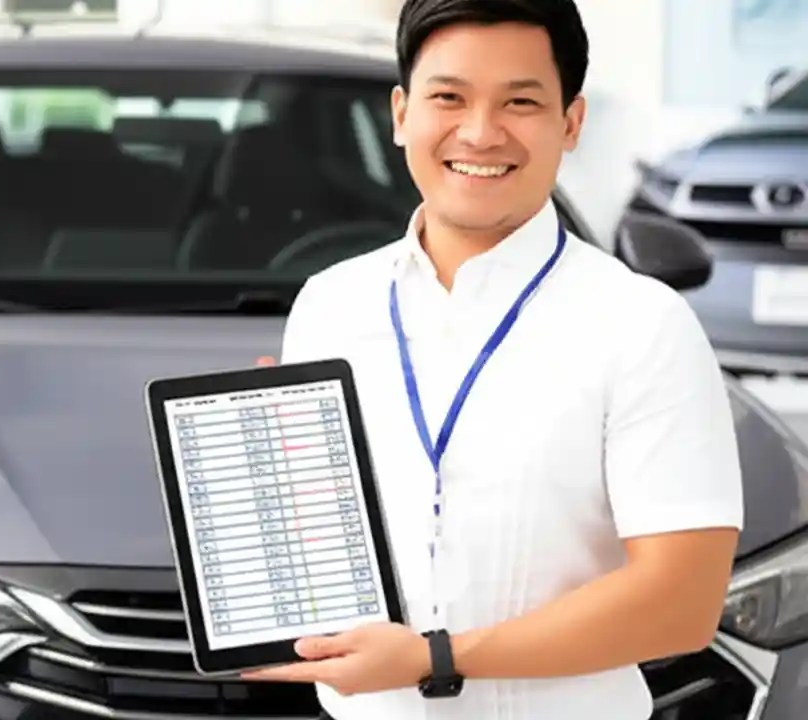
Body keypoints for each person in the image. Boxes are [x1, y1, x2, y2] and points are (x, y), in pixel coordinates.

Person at [241, 1, 745, 719]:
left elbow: (681, 603)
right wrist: (277, 482)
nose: (480, 132)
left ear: (571, 123)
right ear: (401, 113)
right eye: (448, 97)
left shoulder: (643, 324)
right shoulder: (330, 306)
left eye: (521, 102)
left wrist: (436, 659)